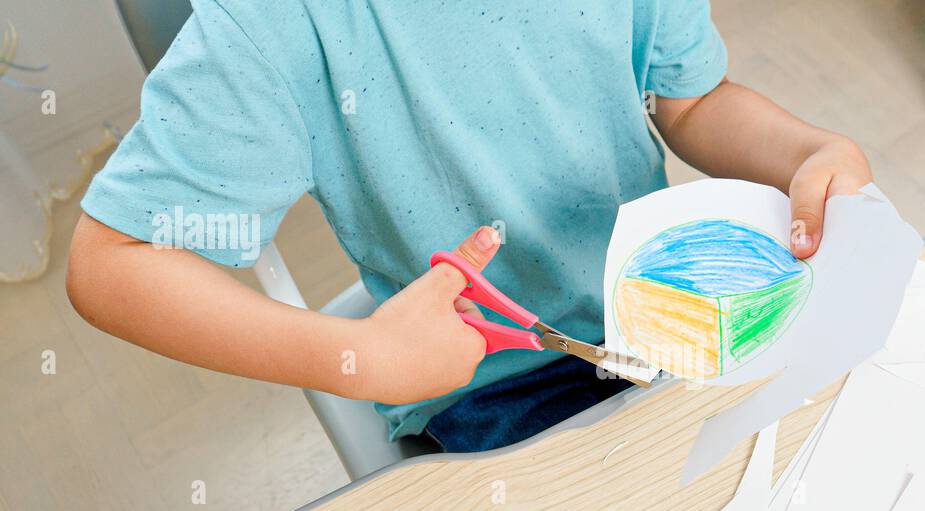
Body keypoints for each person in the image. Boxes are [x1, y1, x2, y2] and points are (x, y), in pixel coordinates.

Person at [68, 1, 873, 451]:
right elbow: (111, 263)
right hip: (503, 381)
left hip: (688, 313)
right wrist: (363, 357)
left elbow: (688, 100)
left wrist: (806, 153)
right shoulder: (273, 25)